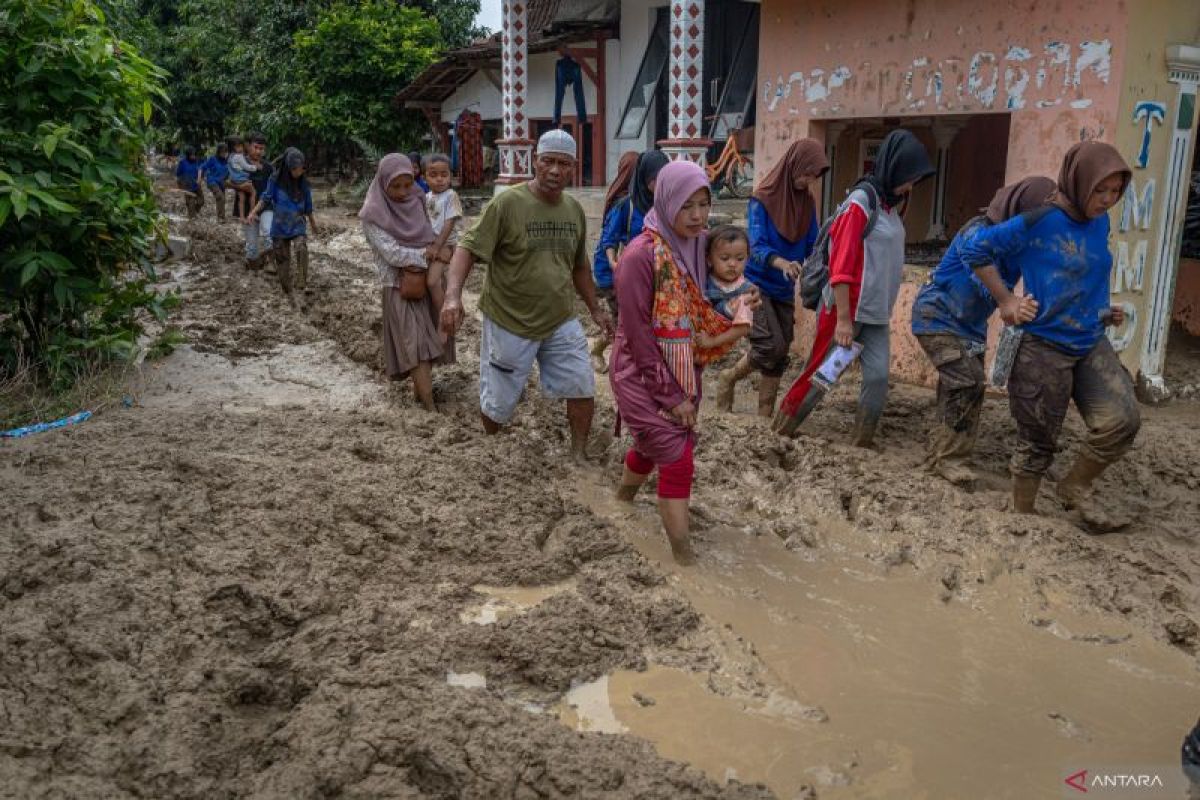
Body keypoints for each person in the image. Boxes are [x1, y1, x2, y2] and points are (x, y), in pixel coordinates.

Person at [958, 141, 1138, 529]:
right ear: (1079, 182)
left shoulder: (1100, 222)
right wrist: (1006, 301)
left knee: (1122, 419)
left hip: (1089, 340)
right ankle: (1022, 517)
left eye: (1116, 191)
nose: (1108, 200)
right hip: (1041, 346)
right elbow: (974, 250)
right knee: (1038, 438)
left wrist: (1103, 310)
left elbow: (1089, 269)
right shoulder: (1040, 221)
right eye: (1100, 190)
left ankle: (1074, 487)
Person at [440, 130, 614, 460]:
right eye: (548, 161)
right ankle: (492, 453)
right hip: (510, 318)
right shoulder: (507, 204)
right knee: (500, 400)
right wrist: (452, 297)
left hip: (560, 318)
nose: (554, 170)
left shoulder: (573, 210)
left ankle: (578, 454)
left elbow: (579, 266)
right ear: (535, 161)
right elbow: (467, 248)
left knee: (581, 385)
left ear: (573, 167)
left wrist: (595, 308)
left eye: (563, 164)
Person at [609, 160, 739, 564]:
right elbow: (637, 336)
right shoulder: (639, 257)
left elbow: (717, 286)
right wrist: (669, 395)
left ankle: (620, 502)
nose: (698, 216)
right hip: (640, 372)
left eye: (704, 203)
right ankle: (685, 561)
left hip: (682, 367)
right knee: (677, 457)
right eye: (687, 206)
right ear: (665, 202)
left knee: (652, 447)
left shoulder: (697, 247)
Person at [773, 129, 936, 445]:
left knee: (877, 377)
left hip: (876, 314)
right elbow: (842, 266)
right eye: (908, 177)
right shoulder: (861, 202)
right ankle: (782, 428)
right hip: (846, 312)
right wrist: (844, 321)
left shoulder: (892, 205)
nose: (911, 185)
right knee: (823, 375)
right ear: (894, 168)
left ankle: (862, 440)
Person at [910, 177, 1054, 486]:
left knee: (962, 389)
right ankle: (950, 460)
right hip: (936, 316)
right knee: (968, 380)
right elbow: (980, 276)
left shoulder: (1020, 246)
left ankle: (941, 454)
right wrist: (1008, 300)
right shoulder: (975, 233)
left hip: (970, 327)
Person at [719, 138, 829, 416]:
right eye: (806, 174)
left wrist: (820, 260)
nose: (808, 181)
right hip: (756, 285)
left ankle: (764, 416)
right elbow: (755, 246)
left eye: (812, 177)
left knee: (781, 353)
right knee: (771, 345)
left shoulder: (806, 203)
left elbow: (812, 243)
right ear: (794, 166)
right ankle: (729, 377)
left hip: (784, 287)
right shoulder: (762, 199)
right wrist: (781, 263)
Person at [361, 154, 446, 411]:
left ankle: (420, 395)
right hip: (399, 287)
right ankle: (430, 407)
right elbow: (392, 253)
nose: (402, 192)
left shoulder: (418, 200)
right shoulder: (373, 214)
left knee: (427, 344)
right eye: (395, 186)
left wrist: (437, 250)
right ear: (383, 182)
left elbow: (434, 232)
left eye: (407, 185)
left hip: (426, 283)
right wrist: (429, 255)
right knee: (417, 346)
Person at [591, 150, 670, 372]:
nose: (659, 183)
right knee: (625, 324)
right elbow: (609, 239)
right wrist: (616, 265)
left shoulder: (664, 204)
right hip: (616, 273)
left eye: (663, 177)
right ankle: (614, 363)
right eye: (654, 179)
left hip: (648, 273)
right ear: (643, 178)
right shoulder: (627, 205)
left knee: (643, 321)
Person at [248, 148, 318, 308]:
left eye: (301, 169)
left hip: (297, 223)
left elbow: (308, 206)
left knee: (301, 247)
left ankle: (301, 281)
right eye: (295, 169)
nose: (298, 172)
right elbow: (265, 198)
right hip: (279, 226)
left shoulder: (303, 183)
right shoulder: (275, 179)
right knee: (283, 266)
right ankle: (289, 295)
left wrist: (313, 223)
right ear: (288, 167)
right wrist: (253, 212)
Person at [701, 225, 755, 349]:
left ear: (747, 258)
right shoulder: (703, 274)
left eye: (740, 259)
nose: (732, 264)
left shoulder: (744, 295)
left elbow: (743, 329)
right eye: (725, 258)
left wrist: (712, 342)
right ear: (709, 259)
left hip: (718, 340)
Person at [423, 153, 463, 319]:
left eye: (444, 174)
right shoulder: (426, 197)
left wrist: (437, 246)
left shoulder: (451, 196)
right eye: (433, 175)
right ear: (425, 177)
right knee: (434, 282)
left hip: (445, 246)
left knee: (432, 281)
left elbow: (449, 222)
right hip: (431, 246)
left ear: (450, 176)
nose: (439, 179)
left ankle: (443, 318)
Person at [238, 132, 276, 271]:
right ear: (248, 147)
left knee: (267, 232)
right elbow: (225, 182)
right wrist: (240, 186)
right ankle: (255, 261)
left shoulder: (268, 168)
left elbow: (276, 187)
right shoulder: (239, 163)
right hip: (248, 208)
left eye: (261, 148)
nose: (258, 151)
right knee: (251, 248)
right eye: (256, 147)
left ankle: (272, 263)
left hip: (266, 206)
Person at [199, 143, 231, 222]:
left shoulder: (228, 161)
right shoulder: (212, 159)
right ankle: (221, 218)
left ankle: (221, 217)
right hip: (212, 181)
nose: (224, 154)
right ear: (218, 152)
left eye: (225, 152)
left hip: (222, 183)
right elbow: (202, 167)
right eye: (222, 152)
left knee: (222, 200)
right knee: (220, 197)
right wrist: (199, 179)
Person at [227, 136, 260, 212]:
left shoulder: (230, 156)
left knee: (241, 198)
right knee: (253, 193)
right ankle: (252, 213)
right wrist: (255, 167)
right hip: (241, 179)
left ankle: (242, 217)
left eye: (242, 146)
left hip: (234, 179)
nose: (241, 148)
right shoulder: (239, 156)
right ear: (233, 147)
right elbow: (246, 167)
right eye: (239, 146)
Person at [175, 146, 203, 218]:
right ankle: (192, 217)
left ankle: (194, 211)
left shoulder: (197, 161)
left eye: (194, 154)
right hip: (187, 186)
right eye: (192, 155)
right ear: (188, 155)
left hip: (196, 184)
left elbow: (200, 170)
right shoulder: (182, 163)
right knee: (191, 202)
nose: (193, 156)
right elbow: (178, 175)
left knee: (201, 201)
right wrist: (180, 186)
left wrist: (199, 179)